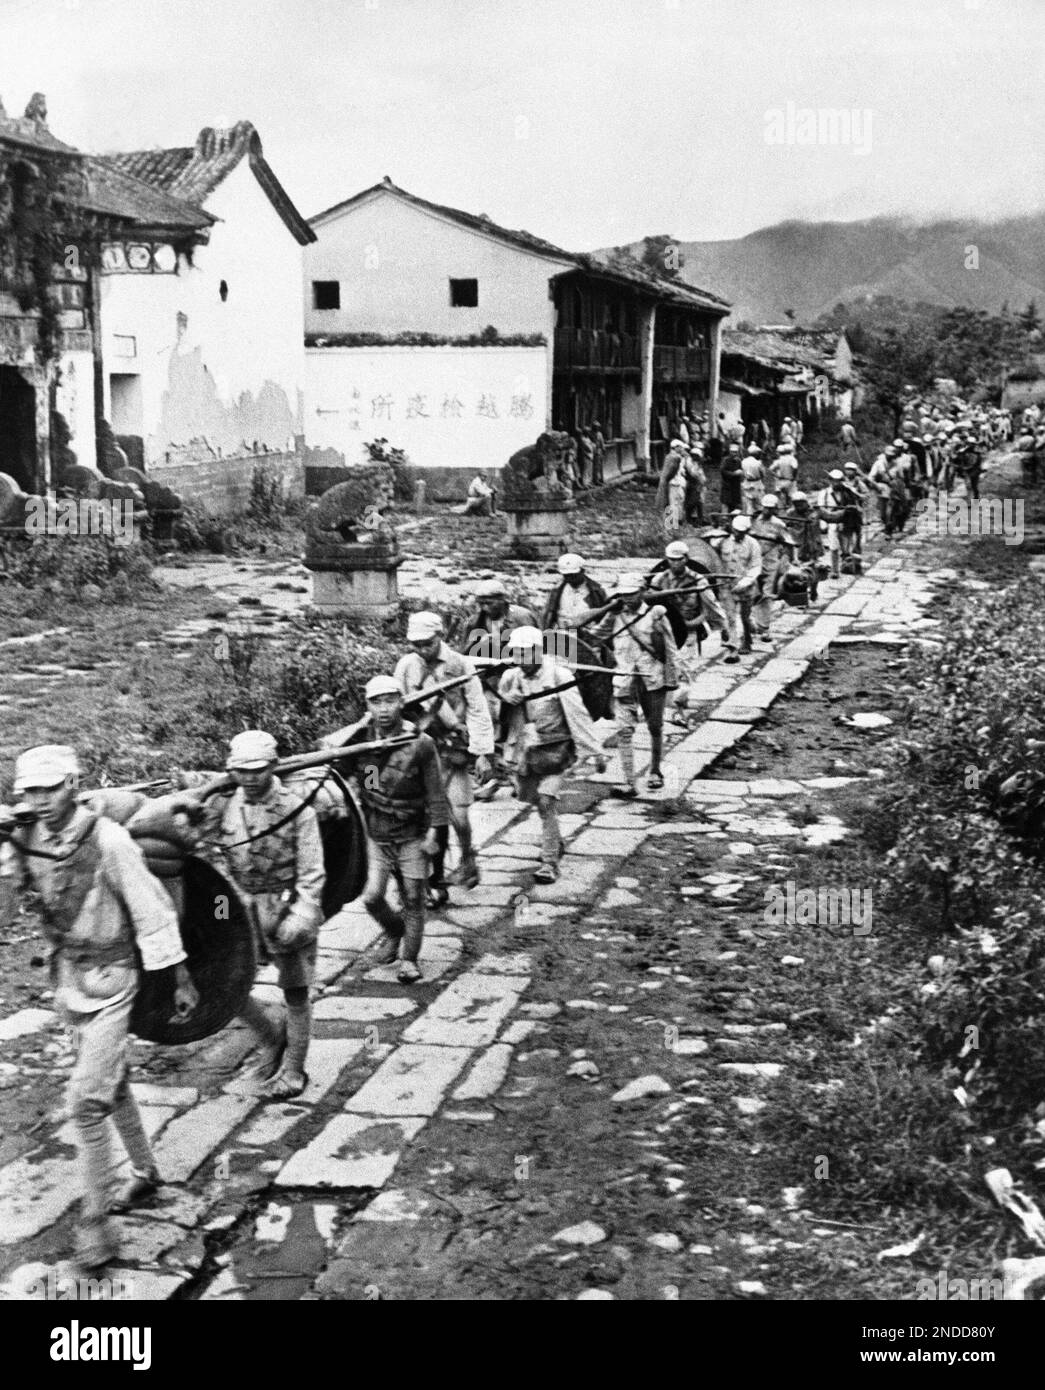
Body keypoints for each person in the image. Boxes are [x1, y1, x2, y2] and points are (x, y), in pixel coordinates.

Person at [0, 745, 196, 1270]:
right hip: (68, 981)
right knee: (114, 1079)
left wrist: (178, 978)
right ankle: (148, 1172)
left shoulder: (109, 841)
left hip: (115, 980)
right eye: (30, 792)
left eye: (50, 788)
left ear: (73, 784)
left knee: (87, 1102)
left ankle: (96, 1222)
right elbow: (3, 917)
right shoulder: (24, 841)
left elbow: (152, 911)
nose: (40, 801)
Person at [189, 729, 325, 1101]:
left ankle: (294, 1070)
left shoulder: (299, 809)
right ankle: (270, 1034)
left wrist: (302, 914)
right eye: (242, 771)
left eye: (258, 770)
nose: (250, 778)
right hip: (237, 905)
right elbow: (202, 846)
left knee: (295, 991)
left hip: (284, 905)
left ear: (274, 766)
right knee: (223, 983)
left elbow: (313, 874)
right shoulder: (224, 805)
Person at [336, 675, 449, 984]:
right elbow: (353, 777)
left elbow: (437, 795)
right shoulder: (363, 742)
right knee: (372, 897)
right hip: (377, 833)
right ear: (368, 706)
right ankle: (394, 930)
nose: (383, 709)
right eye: (376, 702)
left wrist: (434, 833)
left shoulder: (421, 744)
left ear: (401, 702)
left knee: (413, 897)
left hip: (413, 832)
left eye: (389, 701)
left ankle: (409, 959)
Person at [395, 611, 494, 907]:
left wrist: (482, 753)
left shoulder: (460, 664)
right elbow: (398, 706)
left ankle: (467, 856)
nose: (422, 649)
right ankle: (431, 882)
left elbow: (477, 709)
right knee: (429, 821)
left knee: (460, 817)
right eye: (416, 644)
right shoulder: (407, 666)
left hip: (455, 750)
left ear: (440, 637)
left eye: (427, 643)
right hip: (423, 750)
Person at [497, 626, 605, 883]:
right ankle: (555, 841)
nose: (520, 661)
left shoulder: (559, 675)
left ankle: (549, 863)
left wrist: (595, 752)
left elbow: (578, 715)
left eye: (525, 654)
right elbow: (498, 714)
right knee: (536, 801)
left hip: (557, 750)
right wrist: (506, 698)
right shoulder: (511, 677)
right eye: (516, 654)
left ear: (538, 651)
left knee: (546, 800)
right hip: (527, 751)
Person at [587, 574, 679, 797]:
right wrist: (607, 611)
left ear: (642, 592)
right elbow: (594, 637)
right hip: (625, 677)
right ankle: (628, 781)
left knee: (654, 727)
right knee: (624, 731)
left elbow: (669, 650)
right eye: (623, 595)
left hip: (651, 678)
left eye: (632, 594)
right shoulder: (615, 616)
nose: (627, 599)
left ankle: (656, 770)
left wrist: (673, 680)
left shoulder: (655, 615)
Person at [646, 539, 729, 726]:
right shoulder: (659, 580)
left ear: (686, 559)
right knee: (662, 673)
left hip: (689, 632)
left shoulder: (698, 581)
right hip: (663, 633)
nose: (675, 563)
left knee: (683, 671)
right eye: (671, 559)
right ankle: (659, 711)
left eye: (679, 559)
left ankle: (679, 711)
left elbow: (710, 608)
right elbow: (648, 607)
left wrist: (718, 627)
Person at [714, 513, 763, 661]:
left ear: (746, 531)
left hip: (745, 586)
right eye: (735, 531)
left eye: (741, 532)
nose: (737, 534)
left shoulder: (753, 544)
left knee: (745, 617)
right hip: (727, 586)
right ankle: (733, 649)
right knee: (730, 618)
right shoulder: (723, 542)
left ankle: (747, 639)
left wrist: (745, 583)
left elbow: (756, 566)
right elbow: (713, 558)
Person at [541, 552, 611, 643]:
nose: (570, 578)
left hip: (588, 636)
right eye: (566, 575)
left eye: (573, 575)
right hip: (563, 635)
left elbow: (606, 617)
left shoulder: (596, 591)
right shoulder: (557, 591)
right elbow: (547, 615)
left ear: (582, 571)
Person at [657, 438, 690, 536]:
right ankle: (670, 523)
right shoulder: (674, 457)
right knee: (673, 502)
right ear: (675, 447)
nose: (681, 449)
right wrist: (668, 479)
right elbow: (671, 472)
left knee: (676, 501)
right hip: (673, 482)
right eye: (680, 447)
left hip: (675, 482)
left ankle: (675, 522)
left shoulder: (672, 456)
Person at [741, 445, 765, 515]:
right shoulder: (758, 463)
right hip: (757, 482)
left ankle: (749, 515)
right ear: (756, 454)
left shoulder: (743, 461)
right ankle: (759, 514)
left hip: (747, 482)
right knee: (759, 501)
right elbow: (762, 473)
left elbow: (742, 472)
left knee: (749, 501)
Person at [720, 442, 743, 514]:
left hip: (735, 485)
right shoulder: (725, 460)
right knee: (726, 502)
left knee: (735, 502)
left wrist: (740, 474)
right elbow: (723, 471)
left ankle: (733, 517)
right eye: (733, 452)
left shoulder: (738, 461)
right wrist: (733, 474)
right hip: (727, 485)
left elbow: (741, 470)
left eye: (736, 452)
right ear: (730, 452)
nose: (734, 454)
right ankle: (724, 517)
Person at [591, 420, 607, 486]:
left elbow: (602, 442)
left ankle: (601, 479)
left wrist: (603, 449)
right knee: (594, 467)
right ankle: (595, 480)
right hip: (592, 451)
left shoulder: (599, 434)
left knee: (600, 466)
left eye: (597, 427)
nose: (596, 428)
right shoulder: (591, 433)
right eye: (595, 427)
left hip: (598, 451)